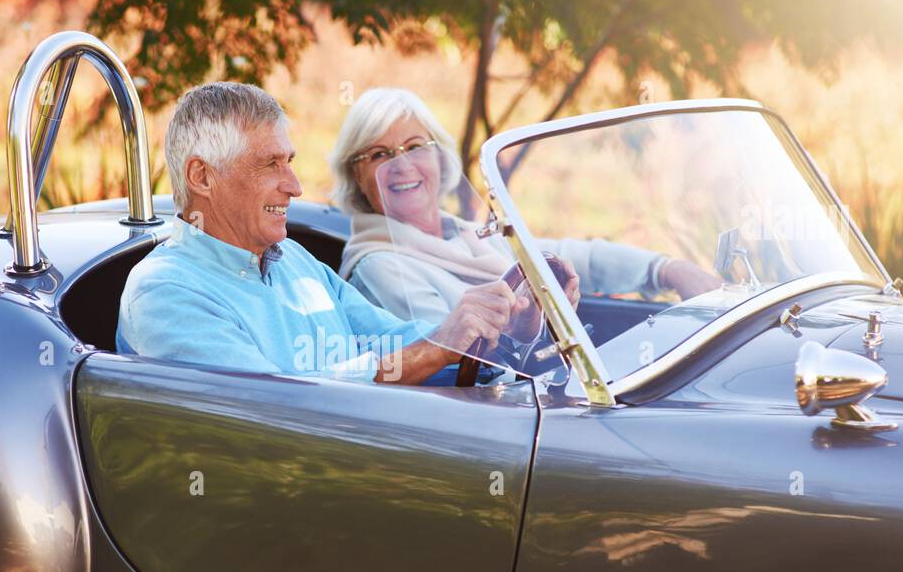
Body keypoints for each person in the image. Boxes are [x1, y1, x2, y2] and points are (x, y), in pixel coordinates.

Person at [116, 82, 529, 385]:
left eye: (289, 161)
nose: (294, 186)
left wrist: (491, 328)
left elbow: (388, 339)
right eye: (269, 164)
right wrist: (436, 349)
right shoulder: (164, 293)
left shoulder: (294, 260)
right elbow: (275, 409)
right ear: (202, 176)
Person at [329, 88, 719, 324]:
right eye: (379, 155)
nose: (402, 166)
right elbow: (454, 361)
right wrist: (527, 322)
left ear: (441, 157)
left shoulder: (468, 235)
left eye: (415, 147)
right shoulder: (381, 266)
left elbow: (568, 256)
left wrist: (667, 269)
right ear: (356, 178)